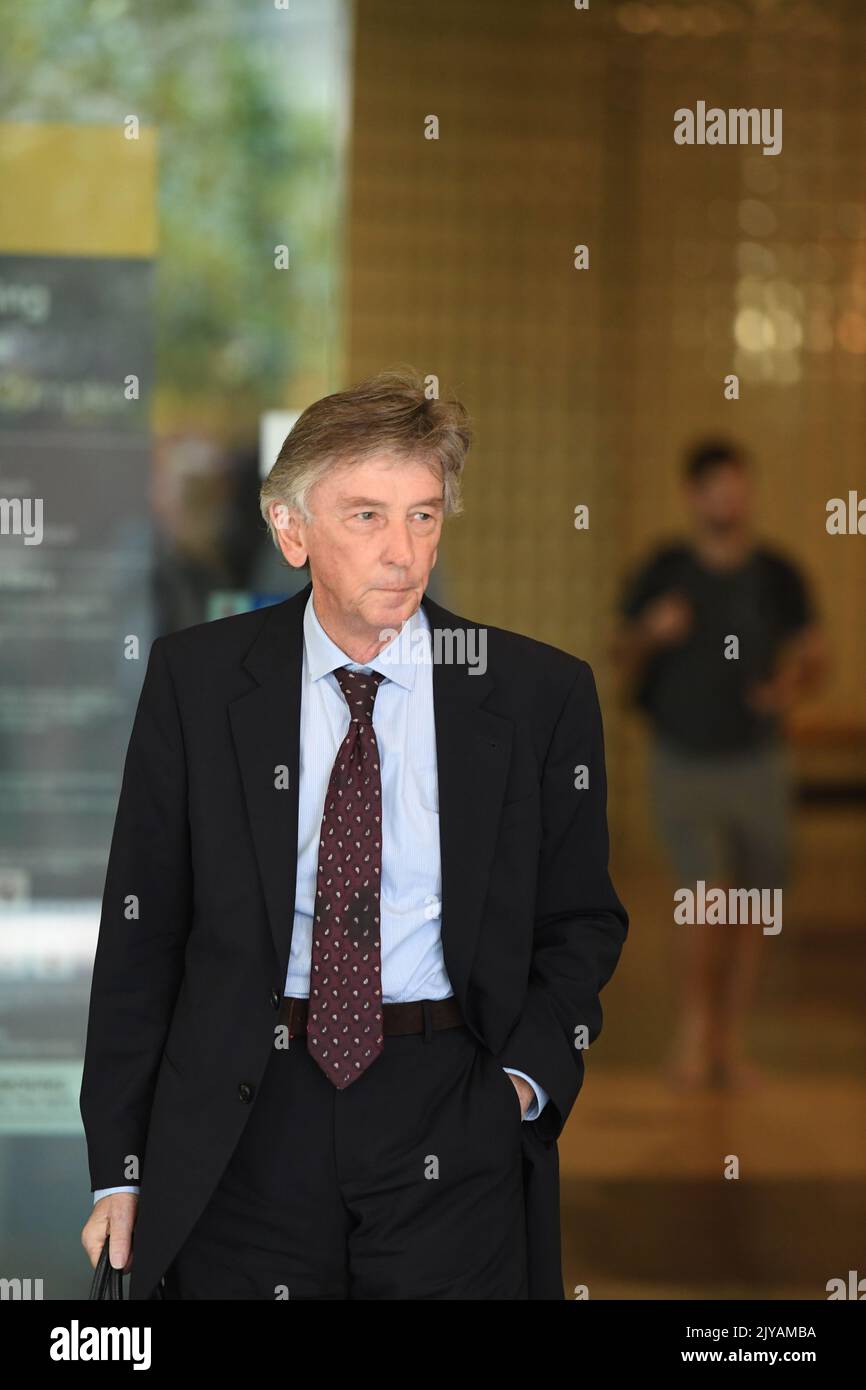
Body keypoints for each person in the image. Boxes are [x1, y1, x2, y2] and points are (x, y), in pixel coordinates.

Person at [80, 367, 628, 1300]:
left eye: (422, 515)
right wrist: (122, 1163)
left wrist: (519, 1089)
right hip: (245, 1123)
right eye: (366, 516)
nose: (402, 552)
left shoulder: (538, 694)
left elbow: (581, 923)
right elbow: (143, 932)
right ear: (291, 531)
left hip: (449, 1110)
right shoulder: (197, 683)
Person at [613, 438, 827, 1090]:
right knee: (704, 899)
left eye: (737, 485)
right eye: (714, 486)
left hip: (758, 760)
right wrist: (654, 631)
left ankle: (730, 1042)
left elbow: (815, 653)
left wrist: (788, 687)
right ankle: (693, 1032)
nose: (728, 498)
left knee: (752, 908)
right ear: (692, 496)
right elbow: (620, 651)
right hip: (683, 758)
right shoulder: (664, 569)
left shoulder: (777, 575)